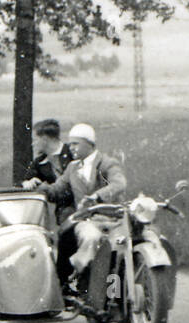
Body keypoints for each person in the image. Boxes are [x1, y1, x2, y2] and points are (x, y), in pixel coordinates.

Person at [42, 123, 128, 296]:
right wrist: (40, 187)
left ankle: (115, 290)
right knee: (91, 237)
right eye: (70, 144)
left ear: (89, 143)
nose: (71, 148)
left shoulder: (107, 163)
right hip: (87, 220)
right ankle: (79, 275)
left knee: (120, 248)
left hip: (113, 219)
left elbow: (119, 184)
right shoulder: (72, 168)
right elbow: (58, 190)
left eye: (75, 143)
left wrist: (97, 196)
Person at [21, 119, 70, 187]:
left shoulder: (71, 153)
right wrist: (28, 183)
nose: (32, 144)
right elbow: (25, 181)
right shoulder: (39, 162)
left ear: (45, 139)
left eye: (35, 140)